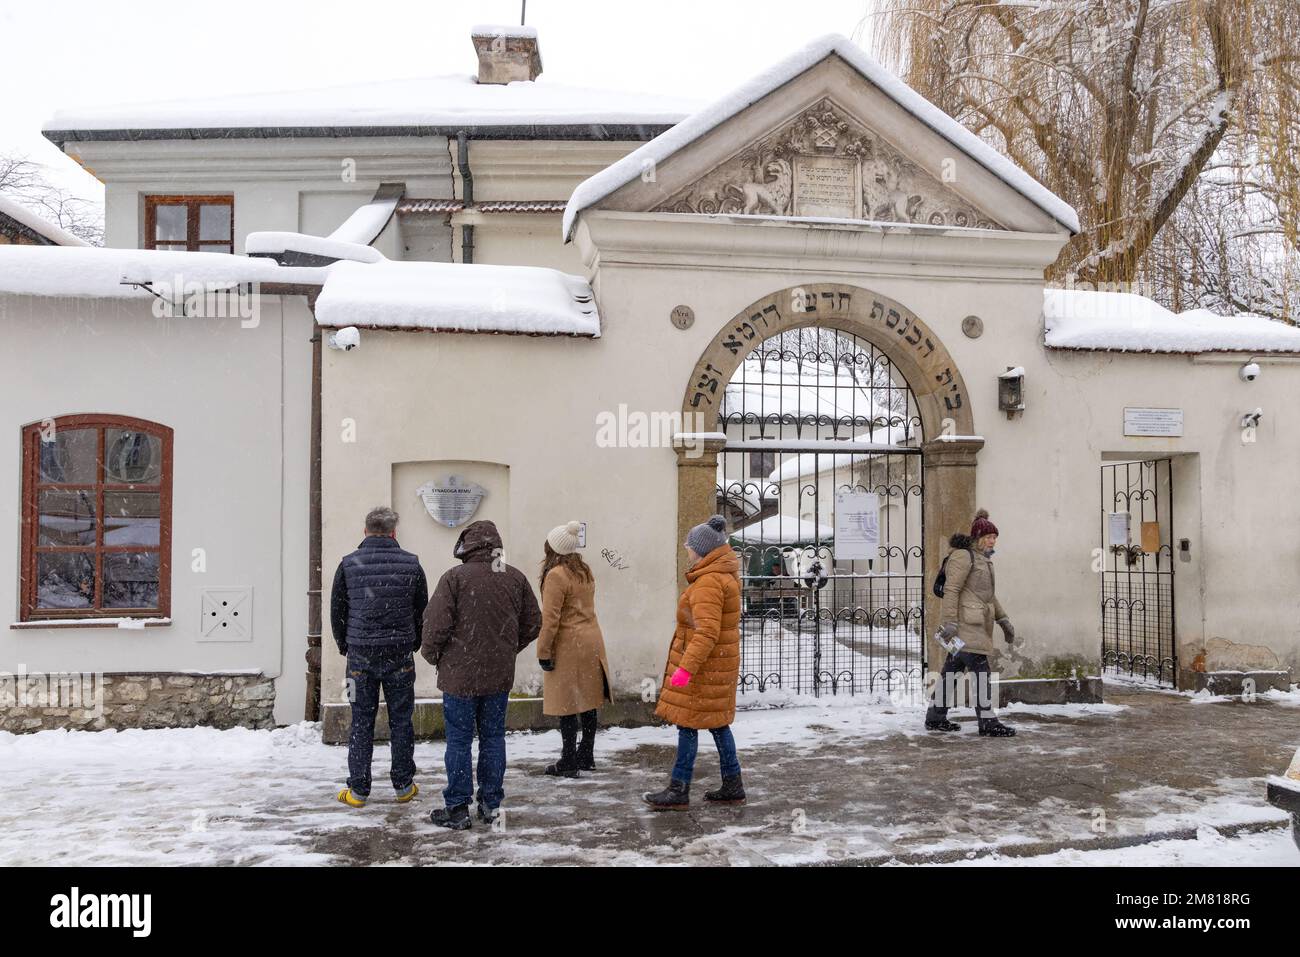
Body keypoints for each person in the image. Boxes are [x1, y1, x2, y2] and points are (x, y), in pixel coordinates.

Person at [421, 519, 541, 829]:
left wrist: (433, 655)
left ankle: (458, 808)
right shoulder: (514, 578)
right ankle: (490, 804)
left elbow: (436, 626)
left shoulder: (455, 578)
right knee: (493, 738)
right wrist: (507, 649)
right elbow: (533, 622)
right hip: (498, 676)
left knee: (459, 741)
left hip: (459, 677)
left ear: (467, 547)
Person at [644, 515, 745, 810]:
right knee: (718, 724)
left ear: (702, 550)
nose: (686, 550)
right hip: (717, 666)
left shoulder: (708, 582)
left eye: (689, 545)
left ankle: (679, 789)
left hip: (704, 669)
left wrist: (685, 670)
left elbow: (706, 632)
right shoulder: (722, 576)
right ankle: (732, 784)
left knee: (687, 725)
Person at [331, 506, 428, 808]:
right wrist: (414, 643)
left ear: (365, 531)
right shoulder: (411, 564)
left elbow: (337, 611)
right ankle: (403, 784)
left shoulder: (348, 564)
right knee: (402, 719)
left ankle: (358, 789)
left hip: (359, 659)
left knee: (360, 720)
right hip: (400, 656)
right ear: (394, 532)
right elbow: (421, 610)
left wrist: (345, 645)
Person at [926, 508, 1017, 737]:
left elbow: (988, 596)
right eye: (989, 537)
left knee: (952, 670)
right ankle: (987, 721)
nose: (993, 540)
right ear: (978, 538)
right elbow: (952, 589)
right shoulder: (963, 556)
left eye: (995, 537)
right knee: (981, 671)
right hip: (965, 626)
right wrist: (949, 622)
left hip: (976, 624)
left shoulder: (982, 560)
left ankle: (936, 717)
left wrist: (1003, 619)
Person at [536, 521, 613, 778]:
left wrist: (543, 652)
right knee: (588, 701)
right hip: (592, 640)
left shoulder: (556, 574)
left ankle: (568, 760)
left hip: (569, 644)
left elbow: (551, 619)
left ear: (552, 547)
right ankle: (586, 754)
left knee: (566, 704)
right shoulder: (584, 570)